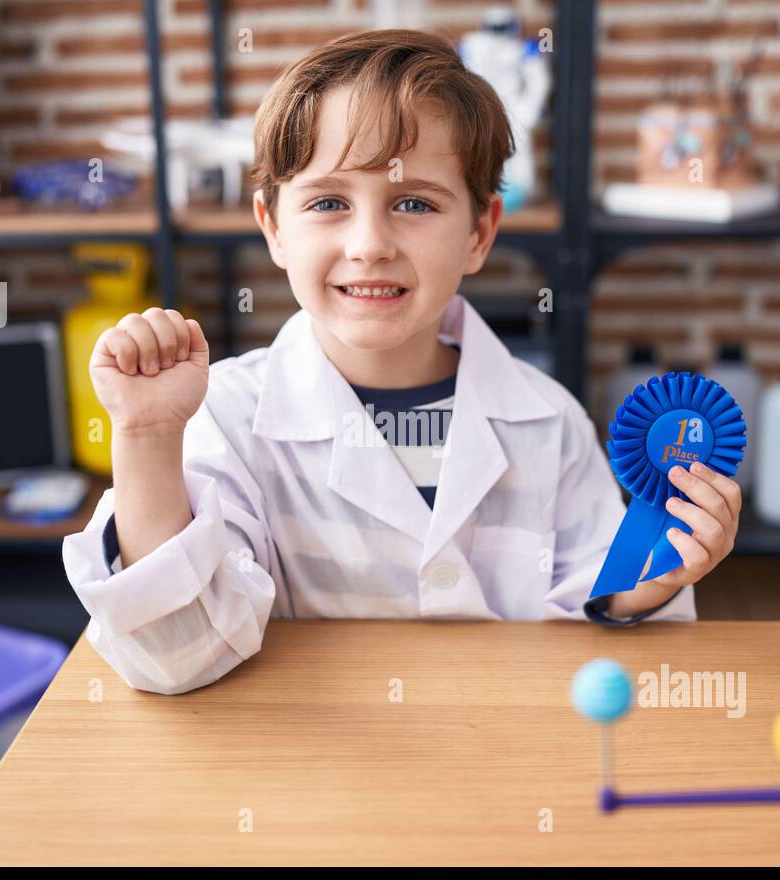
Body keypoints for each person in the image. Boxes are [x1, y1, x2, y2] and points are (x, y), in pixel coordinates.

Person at [62, 30, 741, 695]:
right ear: (273, 227)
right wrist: (148, 440)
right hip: (310, 775)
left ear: (479, 233)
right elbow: (174, 657)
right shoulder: (226, 419)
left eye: (413, 203)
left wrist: (648, 581)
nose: (369, 244)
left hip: (499, 764)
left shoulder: (549, 420)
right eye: (329, 203)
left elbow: (592, 623)